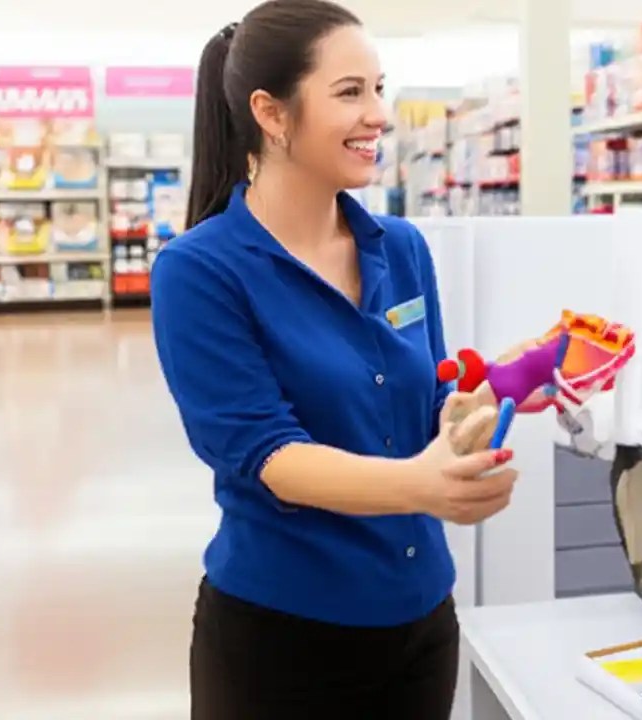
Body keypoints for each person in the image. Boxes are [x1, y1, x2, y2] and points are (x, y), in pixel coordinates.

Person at [149, 1, 546, 716]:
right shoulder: (200, 270)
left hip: (422, 621)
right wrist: (423, 488)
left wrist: (490, 396)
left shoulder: (400, 249)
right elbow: (266, 453)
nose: (380, 115)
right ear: (272, 113)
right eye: (350, 92)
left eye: (380, 89)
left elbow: (422, 412)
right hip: (283, 641)